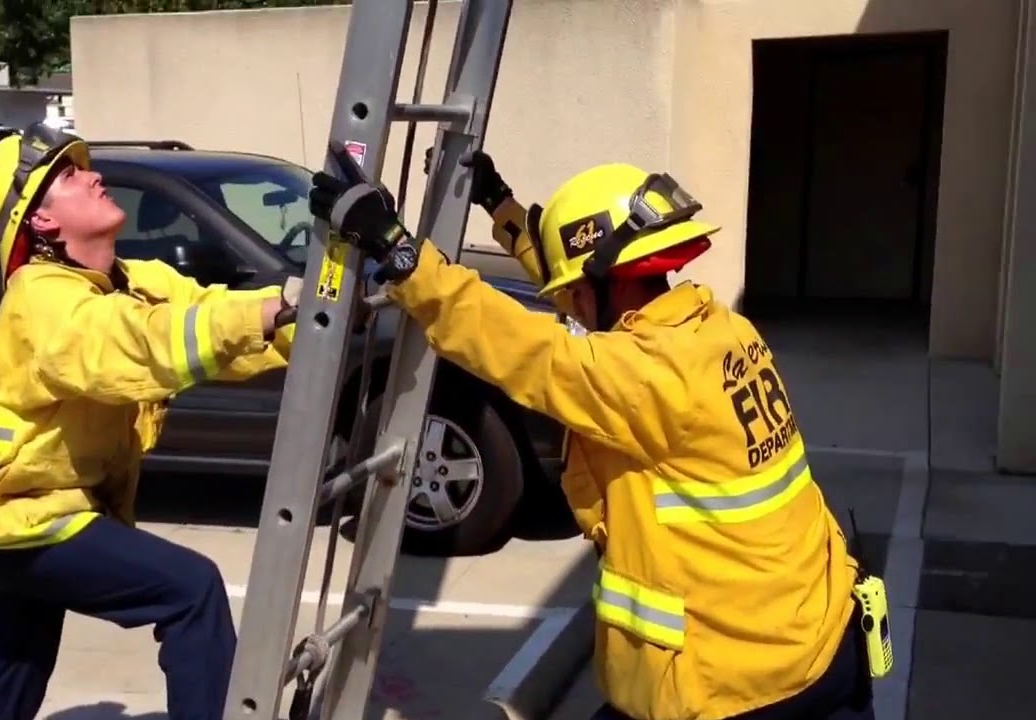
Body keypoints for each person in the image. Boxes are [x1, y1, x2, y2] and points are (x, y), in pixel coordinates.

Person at [306, 150, 880, 720]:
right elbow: (584, 291)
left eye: (575, 291)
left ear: (602, 284)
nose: (571, 304)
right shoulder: (720, 330)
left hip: (737, 683)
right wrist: (501, 208)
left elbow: (519, 346)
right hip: (818, 636)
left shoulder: (643, 375)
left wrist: (401, 255)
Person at [0, 122, 301, 720]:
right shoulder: (41, 299)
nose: (94, 174)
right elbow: (133, 345)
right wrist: (265, 314)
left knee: (15, 676)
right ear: (41, 222)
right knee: (191, 592)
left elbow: (204, 313)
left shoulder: (129, 279)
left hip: (20, 511)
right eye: (68, 175)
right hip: (13, 518)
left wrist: (304, 321)